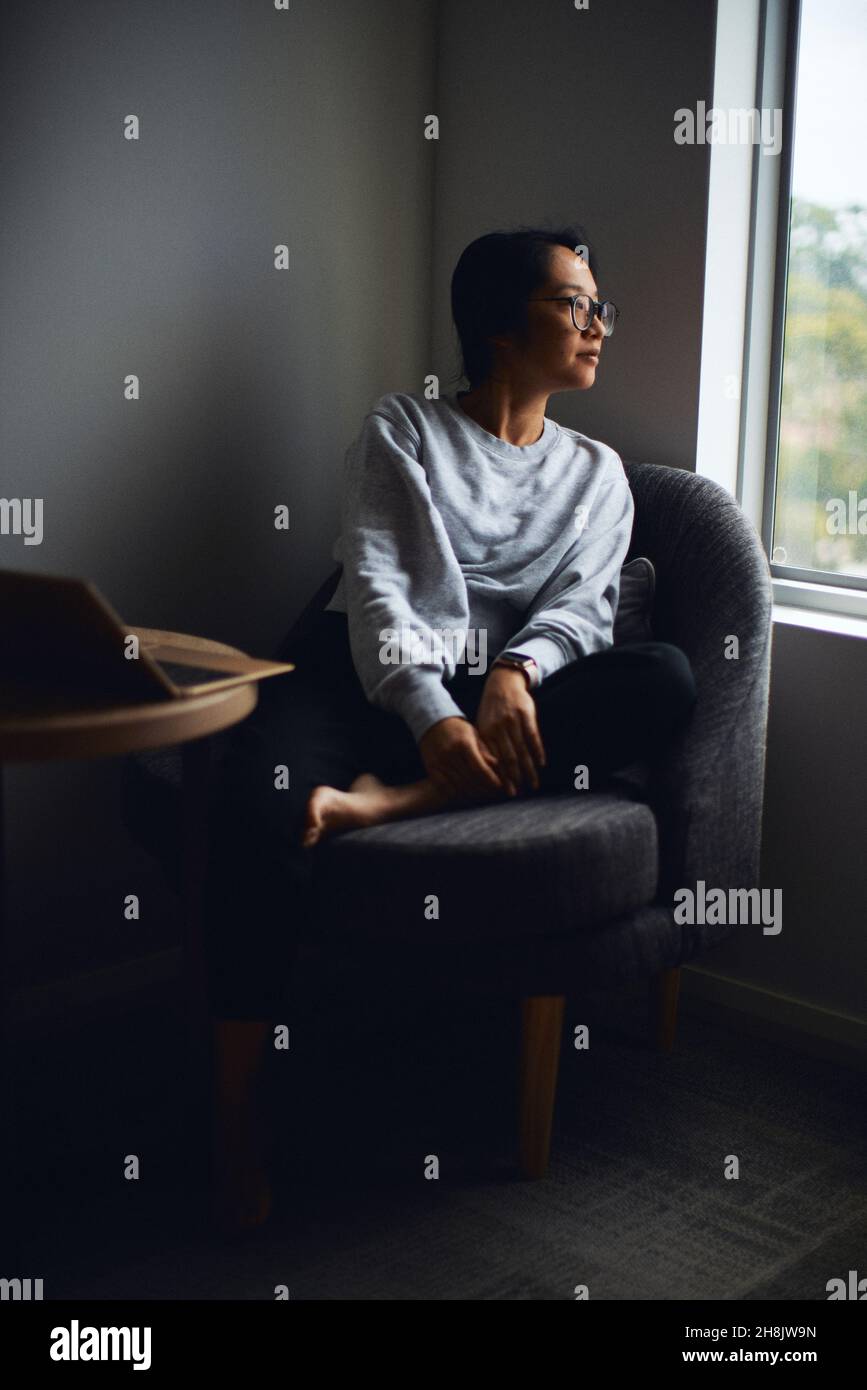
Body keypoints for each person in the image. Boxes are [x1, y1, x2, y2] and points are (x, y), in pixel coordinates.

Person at [206, 225, 698, 1232]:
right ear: (500, 323)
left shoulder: (599, 473)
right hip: (365, 681)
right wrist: (431, 710)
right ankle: (236, 1117)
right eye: (575, 302)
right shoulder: (404, 430)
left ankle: (405, 803)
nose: (599, 323)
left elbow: (582, 608)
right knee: (251, 790)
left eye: (599, 302)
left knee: (662, 676)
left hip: (507, 708)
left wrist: (516, 672)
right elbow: (378, 589)